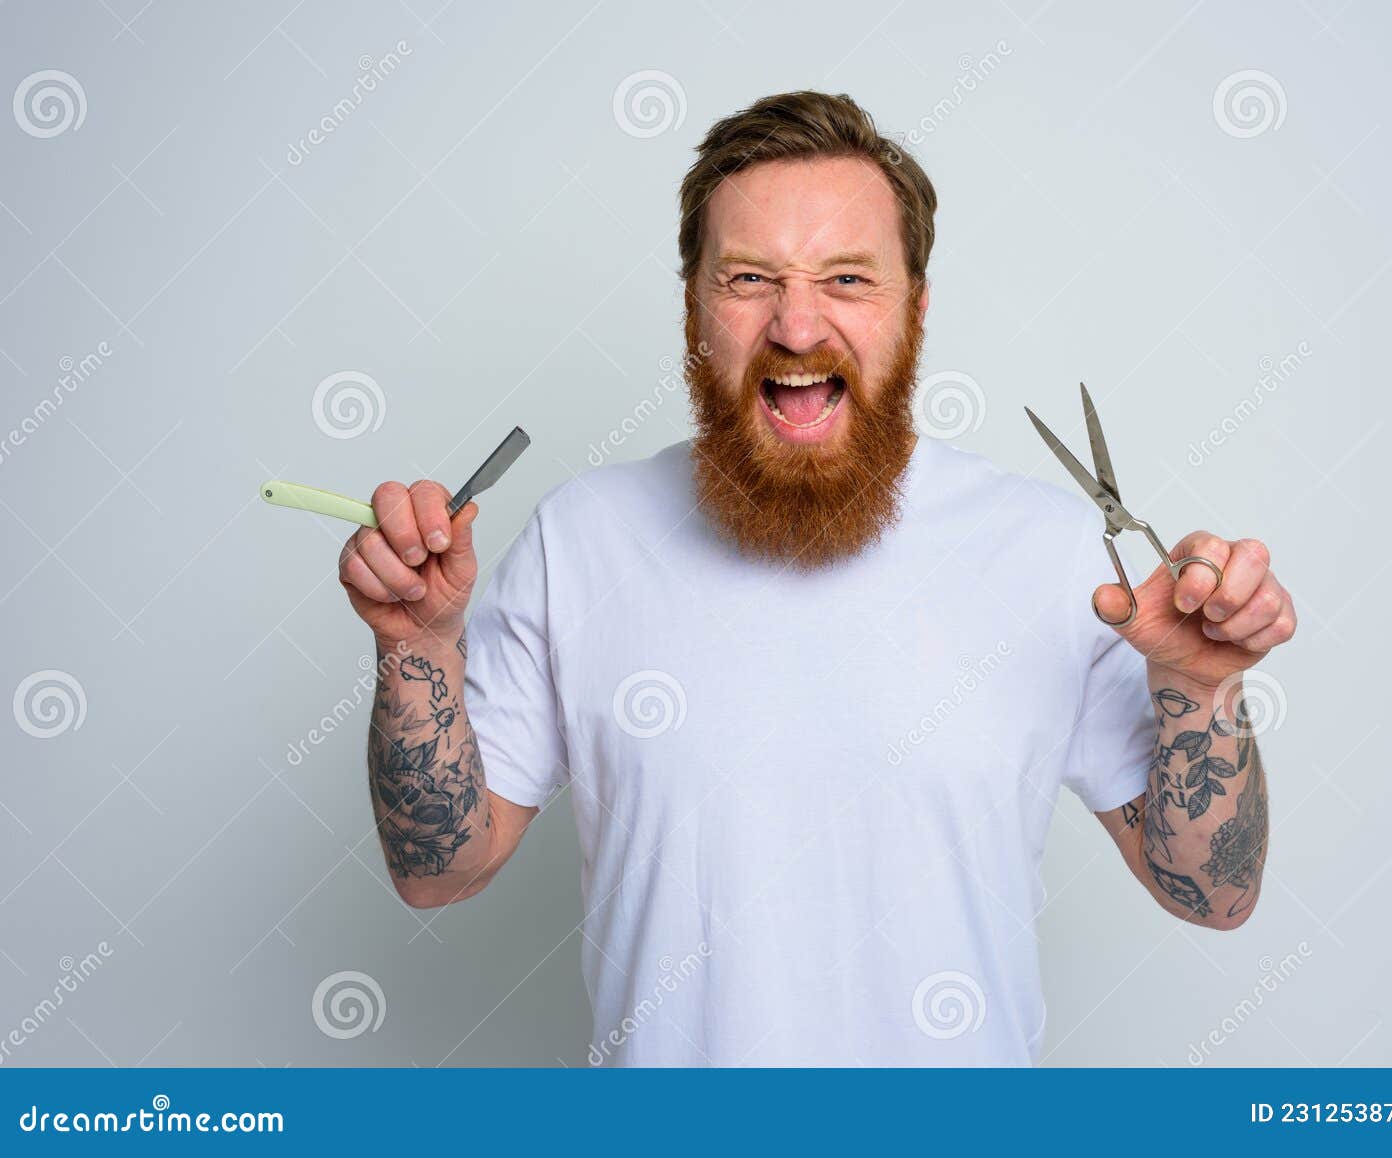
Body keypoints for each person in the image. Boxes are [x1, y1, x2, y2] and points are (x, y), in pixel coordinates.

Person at [336, 91, 1296, 1065]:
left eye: (847, 278)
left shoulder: (1054, 553)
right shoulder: (580, 539)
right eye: (750, 278)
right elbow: (437, 871)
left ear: (915, 309)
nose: (797, 327)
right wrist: (417, 648)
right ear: (693, 307)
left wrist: (1198, 690)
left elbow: (1212, 894)